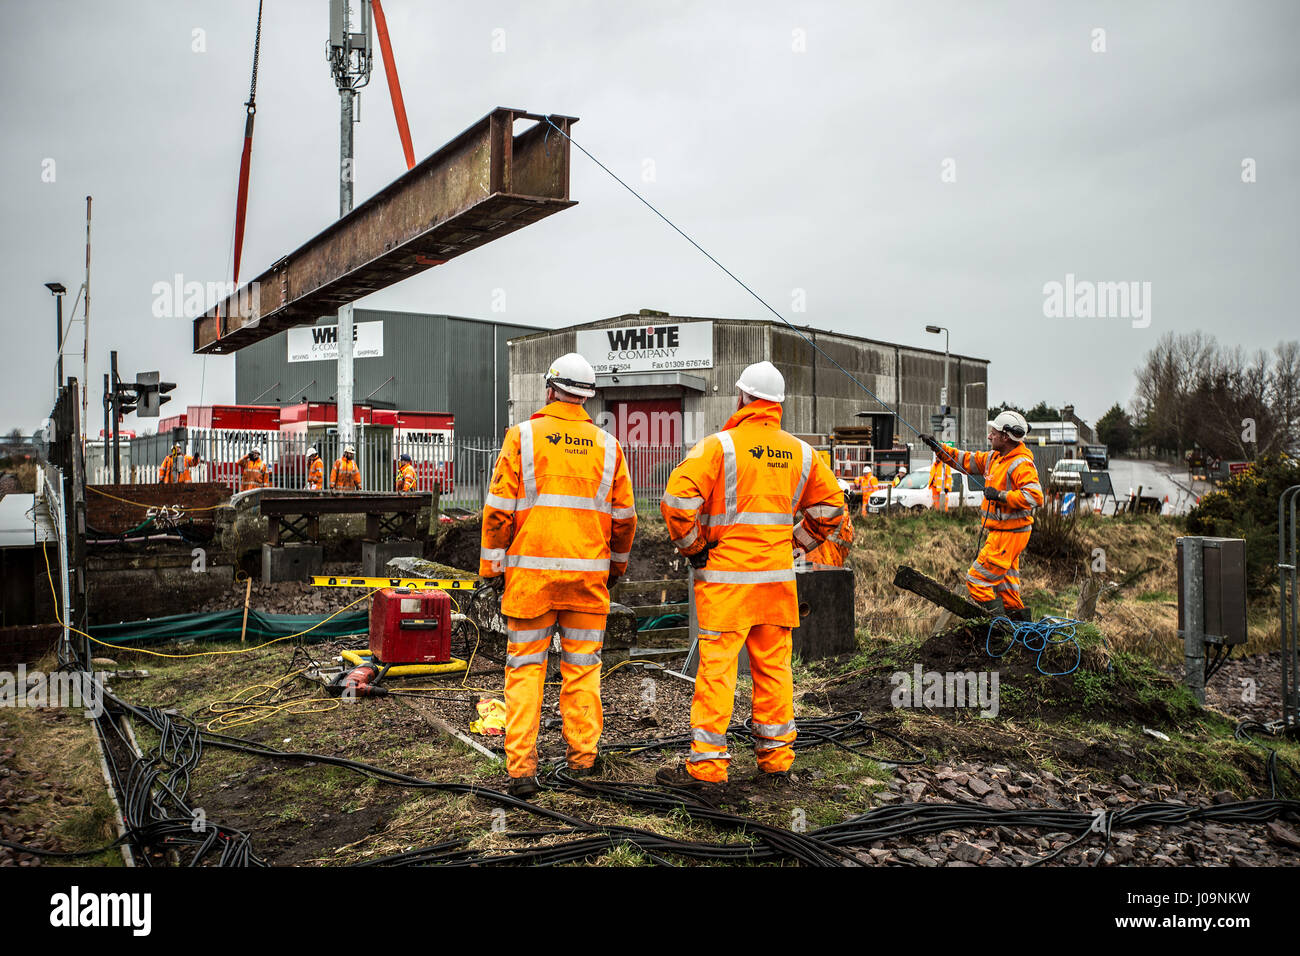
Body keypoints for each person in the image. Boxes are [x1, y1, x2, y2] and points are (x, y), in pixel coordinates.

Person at [658, 361, 844, 791]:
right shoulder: (801, 452)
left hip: (726, 586)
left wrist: (695, 548)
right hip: (775, 585)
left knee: (718, 674)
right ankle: (776, 762)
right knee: (775, 671)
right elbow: (832, 508)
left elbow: (676, 502)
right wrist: (796, 543)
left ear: (742, 398)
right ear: (779, 405)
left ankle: (707, 769)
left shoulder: (718, 448)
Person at [479, 353, 637, 798]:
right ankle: (584, 760)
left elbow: (497, 514)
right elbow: (625, 520)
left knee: (526, 668)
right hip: (587, 583)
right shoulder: (609, 447)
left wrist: (493, 569)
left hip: (530, 581)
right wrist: (615, 570)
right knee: (583, 669)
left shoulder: (522, 437)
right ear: (588, 397)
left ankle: (522, 772)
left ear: (550, 389)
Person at [922, 411, 1044, 622]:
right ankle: (1022, 638)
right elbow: (965, 460)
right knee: (1007, 591)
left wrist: (1001, 496)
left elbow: (1034, 496)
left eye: (993, 433)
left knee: (977, 581)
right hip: (1004, 532)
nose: (989, 436)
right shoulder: (994, 458)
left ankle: (999, 632)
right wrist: (938, 448)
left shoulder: (1021, 463)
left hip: (1009, 533)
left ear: (1006, 437)